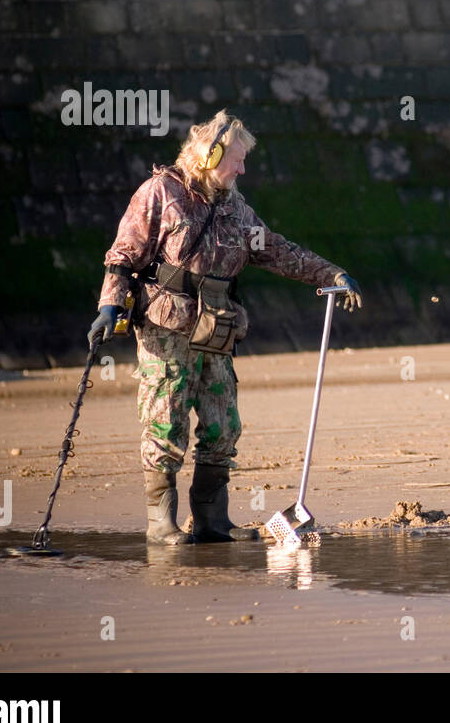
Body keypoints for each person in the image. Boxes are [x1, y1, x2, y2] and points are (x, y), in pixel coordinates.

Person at [88, 110, 361, 544]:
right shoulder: (160, 193)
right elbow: (122, 256)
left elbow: (277, 251)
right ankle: (161, 525)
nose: (242, 168)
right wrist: (109, 306)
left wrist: (331, 274)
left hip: (217, 328)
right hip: (165, 327)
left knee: (223, 425)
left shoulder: (235, 208)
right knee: (166, 424)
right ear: (209, 153)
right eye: (236, 158)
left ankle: (212, 521)